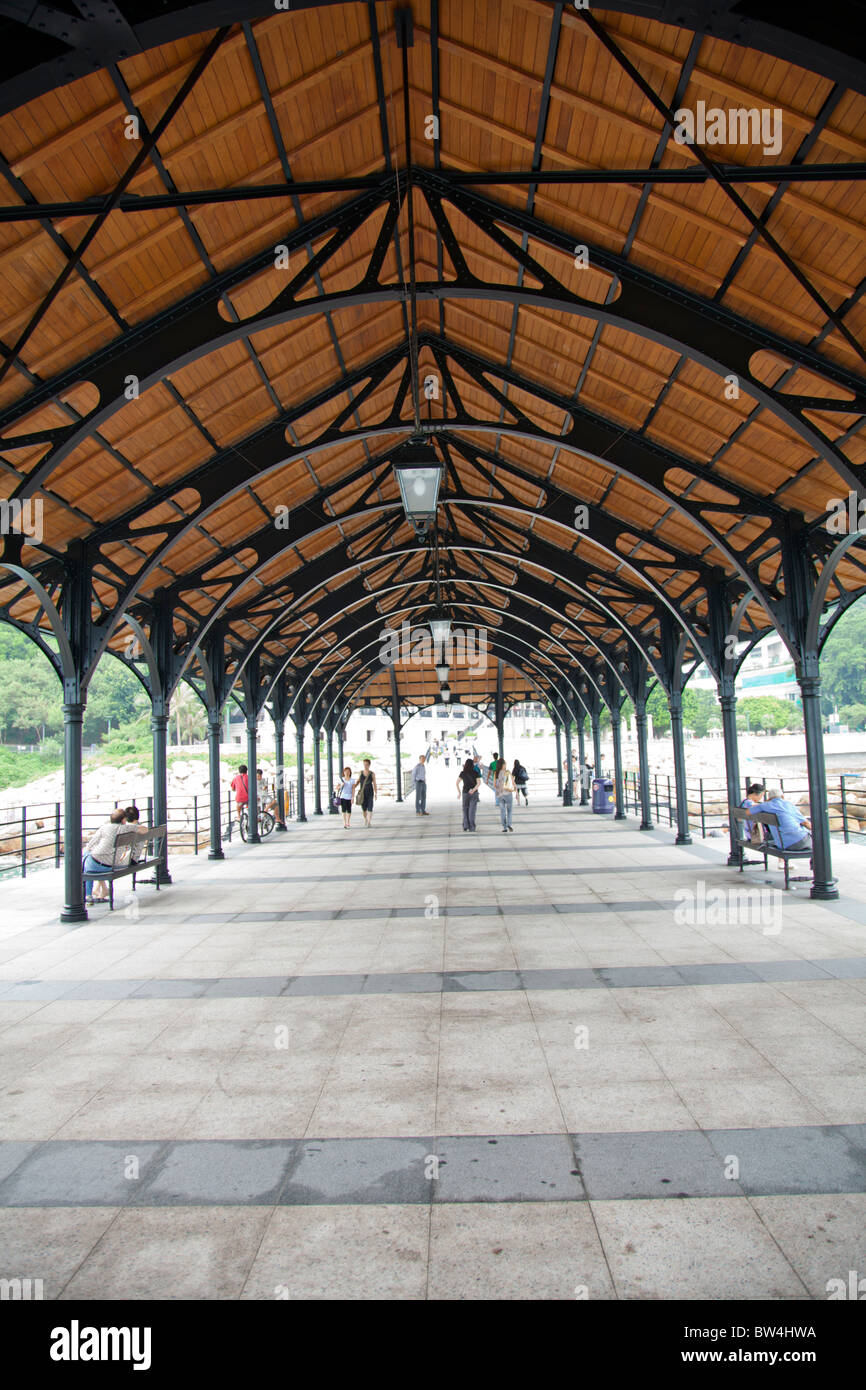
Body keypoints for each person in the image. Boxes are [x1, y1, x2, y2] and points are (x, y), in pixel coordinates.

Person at [83, 808, 127, 905]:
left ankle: (88, 895)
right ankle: (102, 889)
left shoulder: (105, 828)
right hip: (114, 862)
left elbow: (90, 845)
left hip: (105, 864)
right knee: (93, 860)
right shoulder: (127, 830)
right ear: (123, 820)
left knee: (87, 859)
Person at [748, 787, 812, 853]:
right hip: (799, 842)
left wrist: (764, 803)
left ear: (769, 798)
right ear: (782, 796)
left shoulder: (764, 806)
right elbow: (805, 823)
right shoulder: (788, 804)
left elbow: (748, 811)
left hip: (782, 844)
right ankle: (815, 862)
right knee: (820, 840)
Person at [257, 767, 287, 831]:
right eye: (258, 776)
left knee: (275, 804)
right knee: (274, 802)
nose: (259, 777)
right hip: (260, 797)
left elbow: (265, 786)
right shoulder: (254, 782)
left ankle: (276, 817)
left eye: (260, 776)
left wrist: (264, 787)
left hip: (264, 796)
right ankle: (266, 812)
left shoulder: (263, 780)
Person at [457, 757, 480, 832]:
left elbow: (457, 783)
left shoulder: (462, 773)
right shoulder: (475, 773)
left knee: (465, 810)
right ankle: (472, 827)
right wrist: (473, 790)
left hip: (465, 793)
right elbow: (479, 783)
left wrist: (459, 792)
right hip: (473, 793)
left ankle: (465, 826)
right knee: (472, 811)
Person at [494, 757, 515, 833]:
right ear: (503, 765)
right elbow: (513, 783)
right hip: (508, 793)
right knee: (509, 811)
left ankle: (504, 827)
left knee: (502, 811)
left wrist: (499, 788)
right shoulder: (508, 772)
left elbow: (494, 785)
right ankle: (509, 824)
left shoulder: (496, 773)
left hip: (500, 795)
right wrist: (514, 789)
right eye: (505, 763)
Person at [356, 758, 377, 827]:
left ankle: (368, 822)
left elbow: (374, 783)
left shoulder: (372, 774)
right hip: (363, 793)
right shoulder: (361, 773)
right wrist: (353, 787)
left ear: (369, 765)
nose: (365, 766)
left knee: (370, 807)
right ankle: (366, 819)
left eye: (367, 764)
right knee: (364, 808)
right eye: (364, 764)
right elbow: (358, 781)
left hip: (370, 792)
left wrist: (376, 793)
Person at [230, 763, 249, 830]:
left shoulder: (236, 778)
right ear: (246, 771)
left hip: (240, 798)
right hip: (248, 798)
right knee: (250, 808)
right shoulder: (248, 777)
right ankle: (252, 818)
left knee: (239, 805)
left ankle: (238, 816)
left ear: (239, 771)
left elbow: (233, 788)